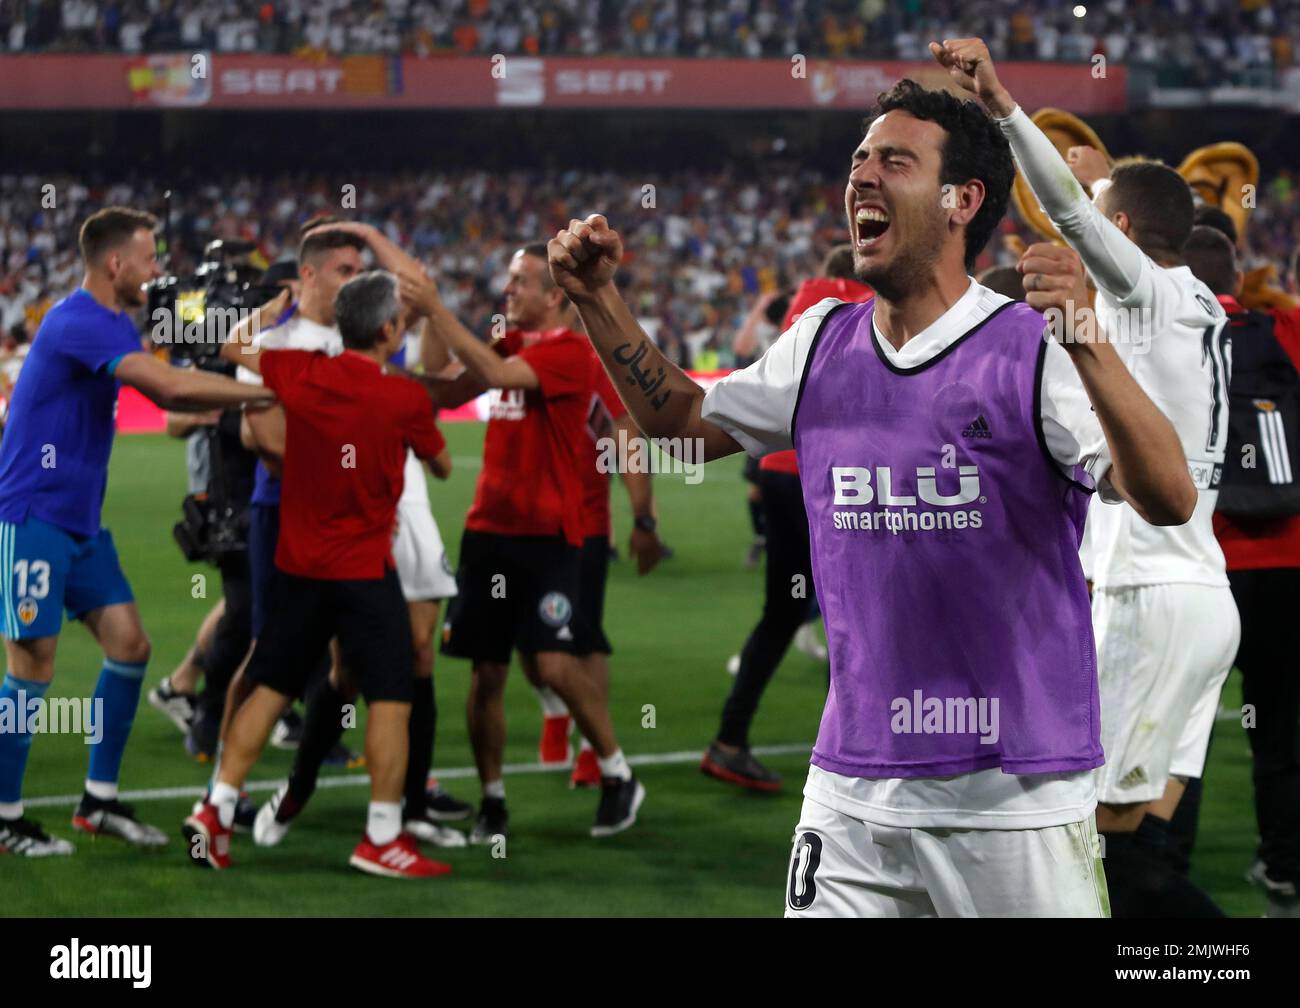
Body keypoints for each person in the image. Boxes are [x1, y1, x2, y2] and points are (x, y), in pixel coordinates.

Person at [548, 75, 1196, 916]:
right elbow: (679, 420)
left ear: (963, 199)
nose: (862, 175)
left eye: (895, 160)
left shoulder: (1031, 351)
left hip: (1011, 800)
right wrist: (599, 299)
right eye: (859, 158)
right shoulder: (821, 342)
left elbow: (1169, 496)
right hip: (851, 789)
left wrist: (1089, 341)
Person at [944, 36, 1239, 917]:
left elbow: (1071, 214)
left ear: (1118, 233)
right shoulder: (1196, 305)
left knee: (1090, 846)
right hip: (1198, 593)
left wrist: (1002, 105)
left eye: (1093, 211)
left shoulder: (1149, 294)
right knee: (1142, 844)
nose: (1061, 218)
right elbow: (1086, 213)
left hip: (1147, 594)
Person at [0, 207, 275, 857]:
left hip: (79, 522)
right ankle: (7, 816)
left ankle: (97, 802)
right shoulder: (77, 321)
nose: (159, 273)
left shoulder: (116, 320)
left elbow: (196, 339)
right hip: (32, 513)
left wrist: (261, 316)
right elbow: (169, 388)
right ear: (115, 264)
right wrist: (268, 391)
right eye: (150, 261)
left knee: (130, 645)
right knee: (32, 663)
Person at [184, 270, 451, 878]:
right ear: (388, 329)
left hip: (298, 566)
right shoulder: (402, 395)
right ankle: (381, 835)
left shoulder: (300, 367)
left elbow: (227, 345)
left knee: (273, 685)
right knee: (390, 695)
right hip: (363, 572)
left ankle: (217, 807)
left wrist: (270, 312)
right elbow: (439, 465)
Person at [407, 243, 646, 842]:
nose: (507, 291)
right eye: (508, 280)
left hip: (551, 540)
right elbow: (442, 391)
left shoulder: (569, 352)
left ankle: (617, 773)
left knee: (554, 663)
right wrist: (425, 321)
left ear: (556, 297)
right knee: (485, 673)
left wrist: (437, 307)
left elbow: (493, 378)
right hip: (488, 532)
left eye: (519, 283)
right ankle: (493, 799)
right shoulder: (510, 341)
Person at [702, 245, 872, 792]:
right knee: (853, 612)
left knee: (784, 613)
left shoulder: (806, 306)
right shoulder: (864, 302)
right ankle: (854, 749)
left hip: (776, 467)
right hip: (823, 475)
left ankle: (729, 740)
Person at [1186, 226, 1300, 917]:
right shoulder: (1282, 328)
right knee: (1282, 726)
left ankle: (1168, 867)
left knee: (1184, 724)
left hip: (1207, 561)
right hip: (1290, 560)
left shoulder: (1172, 338)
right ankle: (1284, 861)